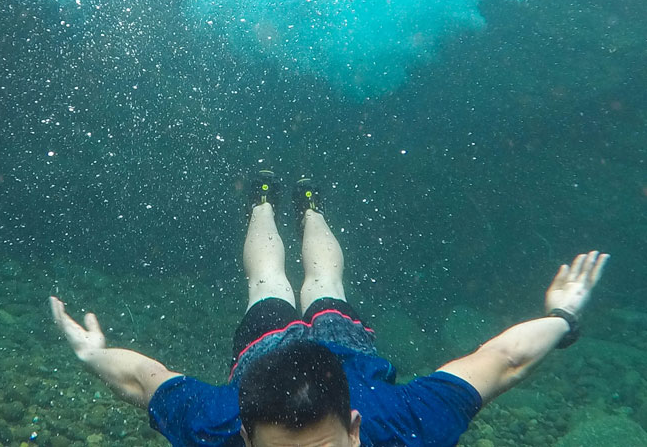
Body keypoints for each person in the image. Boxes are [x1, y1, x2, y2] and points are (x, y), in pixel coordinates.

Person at [51, 171, 610, 446]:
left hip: (278, 351)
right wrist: (560, 319)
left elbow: (146, 379)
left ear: (355, 430)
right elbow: (502, 360)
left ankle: (302, 207)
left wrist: (565, 318)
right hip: (321, 349)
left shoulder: (211, 425)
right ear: (246, 439)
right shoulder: (409, 424)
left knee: (285, 281)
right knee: (298, 281)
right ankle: (267, 202)